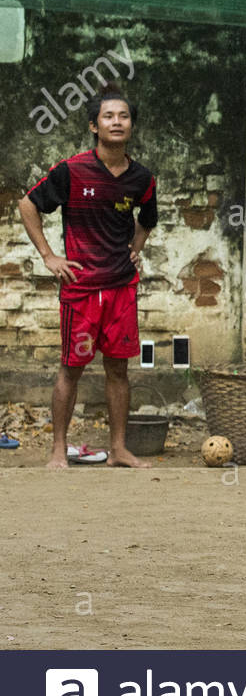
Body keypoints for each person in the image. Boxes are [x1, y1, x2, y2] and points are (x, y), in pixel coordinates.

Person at [18, 85, 157, 469]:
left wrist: (136, 248)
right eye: (109, 116)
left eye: (124, 116)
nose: (117, 122)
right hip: (80, 288)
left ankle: (119, 450)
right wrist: (49, 256)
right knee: (71, 368)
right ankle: (58, 451)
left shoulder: (142, 178)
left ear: (131, 126)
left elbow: (147, 219)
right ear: (94, 126)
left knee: (118, 368)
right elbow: (27, 205)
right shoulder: (71, 170)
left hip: (121, 287)